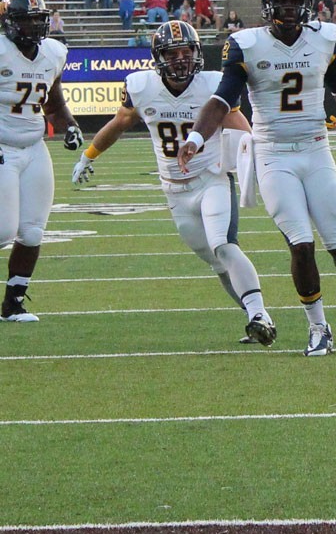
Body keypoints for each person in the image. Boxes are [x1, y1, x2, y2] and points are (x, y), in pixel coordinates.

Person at [178, 0, 336, 358]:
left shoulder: (325, 37)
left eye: (293, 1)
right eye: (281, 1)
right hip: (272, 153)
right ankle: (318, 325)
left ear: (305, 5)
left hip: (317, 150)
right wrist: (196, 137)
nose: (288, 8)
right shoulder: (246, 44)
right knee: (300, 245)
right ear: (268, 6)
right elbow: (223, 101)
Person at [72, 21, 276, 346]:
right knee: (216, 262)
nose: (181, 59)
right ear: (159, 57)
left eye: (186, 52)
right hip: (174, 190)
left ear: (196, 53)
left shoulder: (213, 84)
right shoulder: (141, 87)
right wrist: (90, 154)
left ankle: (258, 314)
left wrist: (261, 160)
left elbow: (241, 126)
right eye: (173, 53)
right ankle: (256, 318)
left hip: (212, 179)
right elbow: (120, 122)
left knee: (224, 245)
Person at [0, 0, 82, 322]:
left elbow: (54, 101)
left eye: (38, 20)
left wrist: (70, 125)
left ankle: (13, 303)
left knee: (32, 230)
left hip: (34, 146)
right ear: (8, 23)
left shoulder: (52, 53)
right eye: (25, 20)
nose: (34, 27)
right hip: (2, 145)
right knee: (4, 230)